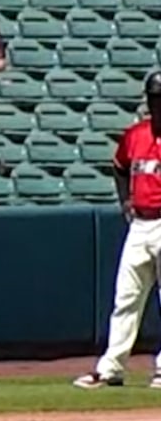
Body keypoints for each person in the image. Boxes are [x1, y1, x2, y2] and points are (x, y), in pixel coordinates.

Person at [77, 73, 161, 389]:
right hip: (140, 225)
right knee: (126, 297)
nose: (158, 105)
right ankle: (111, 367)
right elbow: (119, 166)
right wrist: (125, 198)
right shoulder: (136, 134)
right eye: (154, 99)